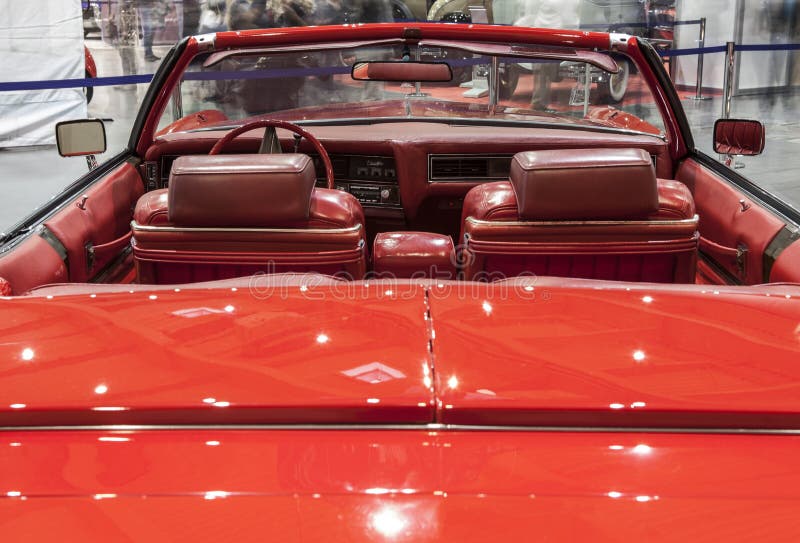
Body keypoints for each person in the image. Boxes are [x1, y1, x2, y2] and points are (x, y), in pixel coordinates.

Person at [514, 0, 579, 110]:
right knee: (542, 72)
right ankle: (539, 103)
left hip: (552, 36)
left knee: (543, 72)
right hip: (543, 36)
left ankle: (540, 103)